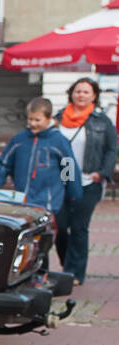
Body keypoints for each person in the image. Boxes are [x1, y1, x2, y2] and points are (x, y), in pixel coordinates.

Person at [54, 77, 117, 286]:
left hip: (89, 177)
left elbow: (111, 149)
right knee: (61, 226)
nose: (81, 95)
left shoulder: (101, 120)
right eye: (78, 91)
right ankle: (67, 264)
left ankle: (75, 272)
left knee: (79, 226)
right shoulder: (58, 118)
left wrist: (103, 172)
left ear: (94, 96)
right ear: (71, 93)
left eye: (85, 92)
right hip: (64, 177)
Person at [0, 97, 81, 217]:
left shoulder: (59, 142)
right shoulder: (19, 140)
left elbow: (69, 172)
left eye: (37, 120)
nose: (33, 123)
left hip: (48, 206)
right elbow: (3, 165)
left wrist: (74, 198)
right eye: (30, 119)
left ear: (49, 118)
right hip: (22, 203)